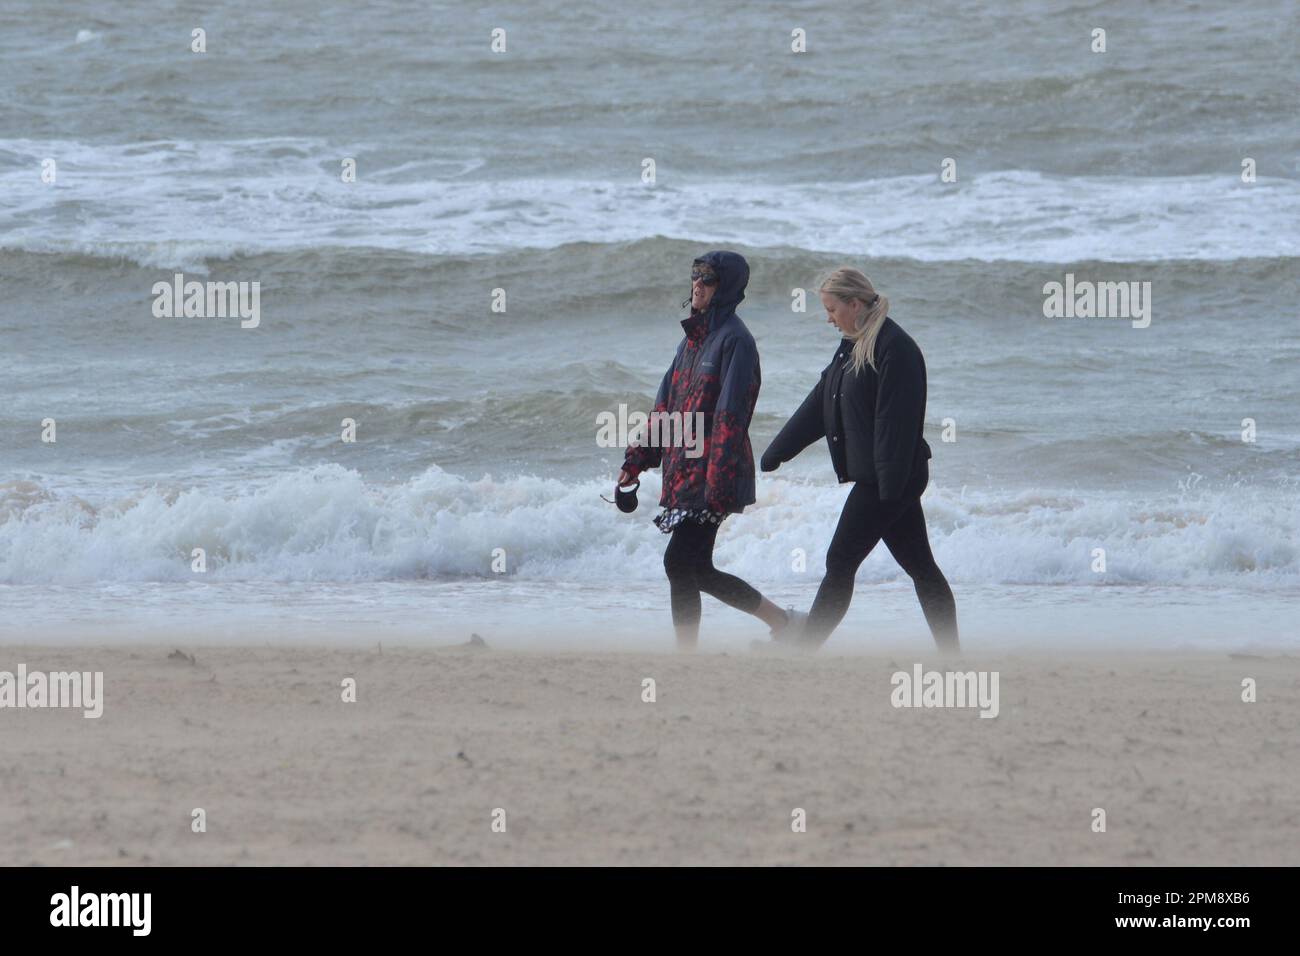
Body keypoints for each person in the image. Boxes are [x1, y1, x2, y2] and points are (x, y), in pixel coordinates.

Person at [759, 267, 958, 653]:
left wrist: (887, 488)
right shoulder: (853, 343)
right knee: (921, 567)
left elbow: (894, 423)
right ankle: (952, 655)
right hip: (885, 479)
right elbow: (823, 401)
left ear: (854, 304)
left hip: (890, 479)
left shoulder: (894, 348)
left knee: (840, 560)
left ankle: (805, 648)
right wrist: (778, 451)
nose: (828, 318)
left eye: (832, 309)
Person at [617, 251, 796, 650]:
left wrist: (716, 481)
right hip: (685, 471)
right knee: (694, 567)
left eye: (708, 279)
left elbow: (731, 417)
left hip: (715, 474)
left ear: (726, 288)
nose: (697, 284)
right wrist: (637, 461)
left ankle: (690, 654)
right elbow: (665, 407)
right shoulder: (691, 342)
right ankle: (783, 623)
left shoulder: (737, 341)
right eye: (694, 275)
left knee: (679, 563)